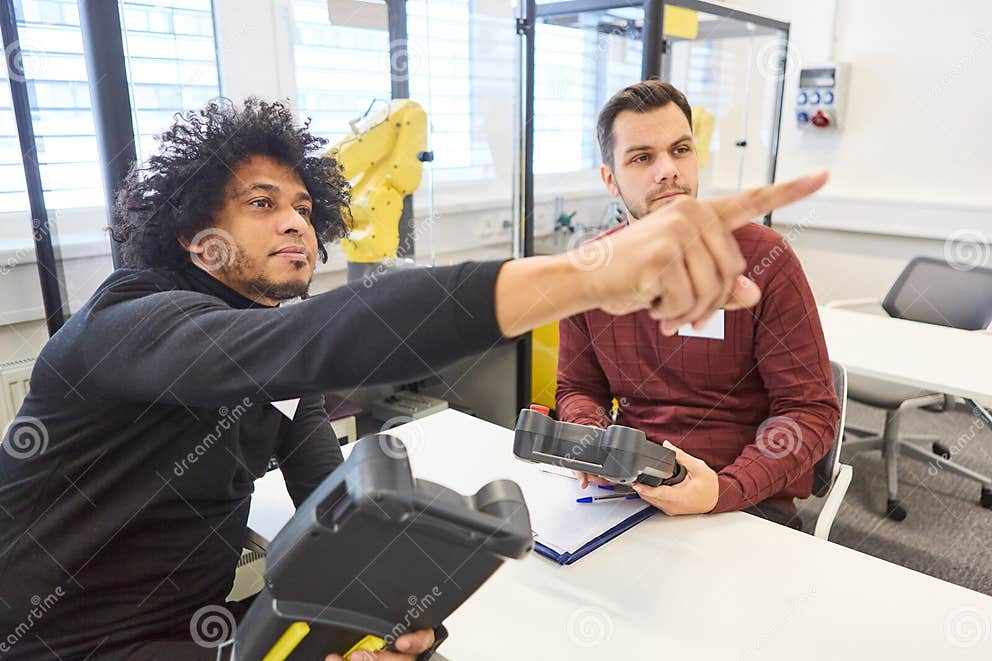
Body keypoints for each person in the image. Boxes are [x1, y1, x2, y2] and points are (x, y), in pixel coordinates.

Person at [0, 97, 826, 659]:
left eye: (301, 204)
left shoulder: (271, 356)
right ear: (191, 235)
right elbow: (320, 342)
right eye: (260, 203)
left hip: (205, 634)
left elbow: (341, 500)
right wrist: (585, 274)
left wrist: (370, 610)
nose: (294, 219)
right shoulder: (127, 324)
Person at [558, 80, 840, 527]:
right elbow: (578, 390)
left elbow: (809, 411)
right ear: (610, 179)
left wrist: (724, 490)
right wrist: (589, 440)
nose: (667, 170)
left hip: (742, 497)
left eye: (681, 150)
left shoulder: (764, 258)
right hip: (628, 488)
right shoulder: (594, 270)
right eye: (642, 157)